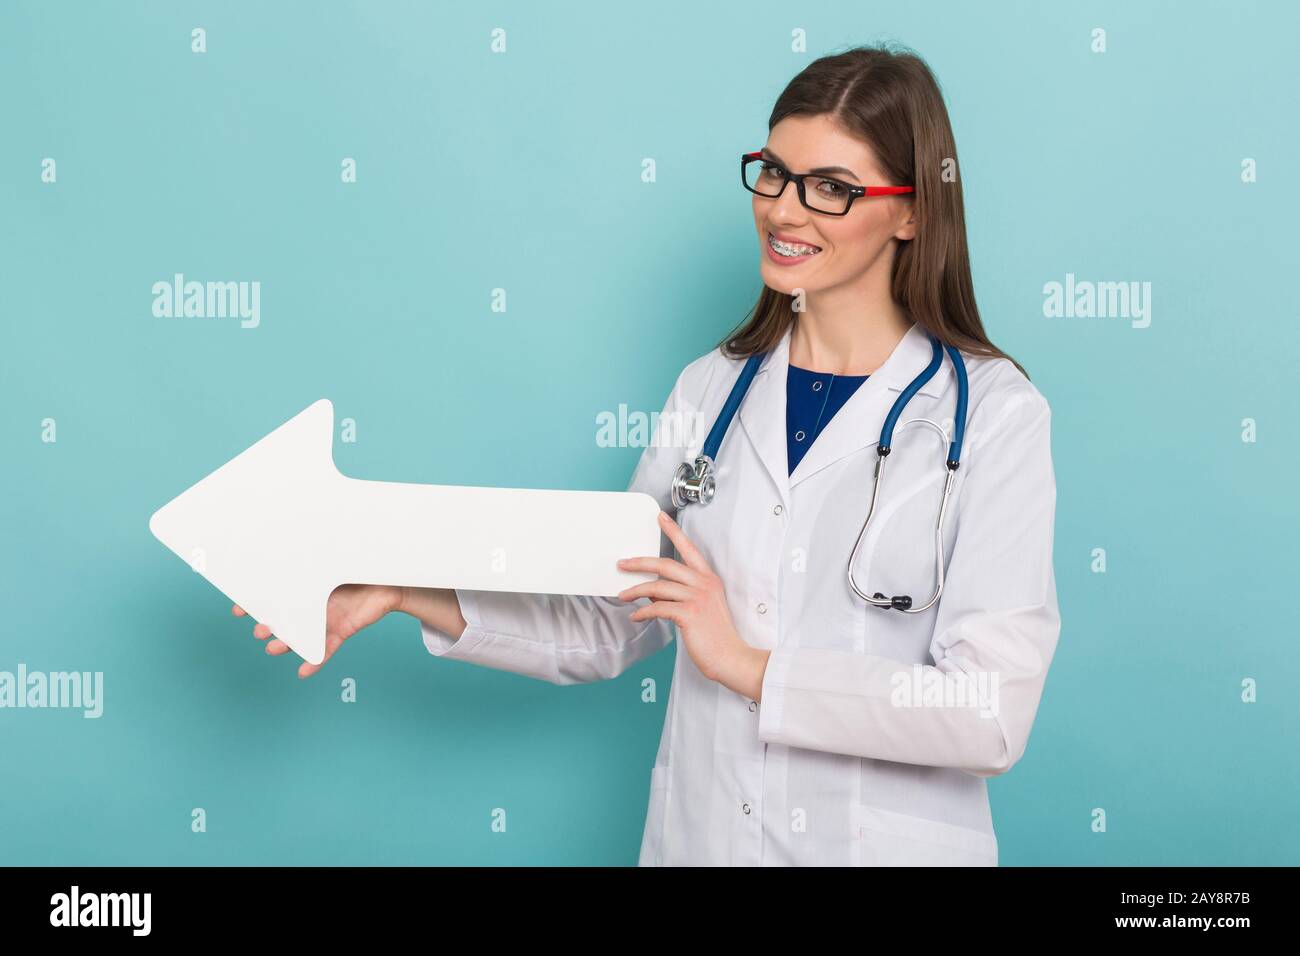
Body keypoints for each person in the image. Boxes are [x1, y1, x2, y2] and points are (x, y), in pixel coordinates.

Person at [234, 44, 1060, 866]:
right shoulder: (710, 390)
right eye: (772, 172)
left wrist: (744, 664)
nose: (783, 210)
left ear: (912, 213)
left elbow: (986, 712)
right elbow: (606, 623)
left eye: (832, 189)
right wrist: (407, 588)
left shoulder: (990, 417)